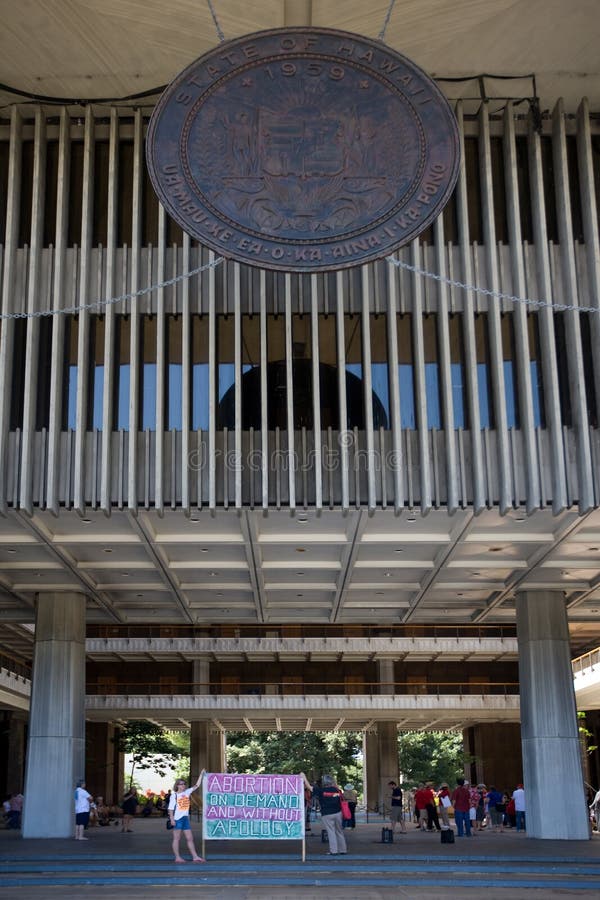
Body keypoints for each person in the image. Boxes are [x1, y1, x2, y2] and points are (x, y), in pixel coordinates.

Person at [168, 772, 206, 863]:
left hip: (185, 818)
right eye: (181, 784)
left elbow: (197, 785)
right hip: (177, 819)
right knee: (177, 838)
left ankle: (195, 857)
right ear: (177, 785)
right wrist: (172, 819)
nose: (184, 785)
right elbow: (170, 809)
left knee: (190, 838)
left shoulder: (187, 792)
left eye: (184, 784)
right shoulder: (174, 795)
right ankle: (177, 857)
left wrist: (201, 775)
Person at [307, 774, 347, 856]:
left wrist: (303, 777)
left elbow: (309, 788)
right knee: (339, 831)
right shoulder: (337, 790)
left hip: (327, 814)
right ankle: (343, 849)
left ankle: (334, 851)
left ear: (323, 782)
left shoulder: (320, 791)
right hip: (338, 813)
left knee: (331, 832)